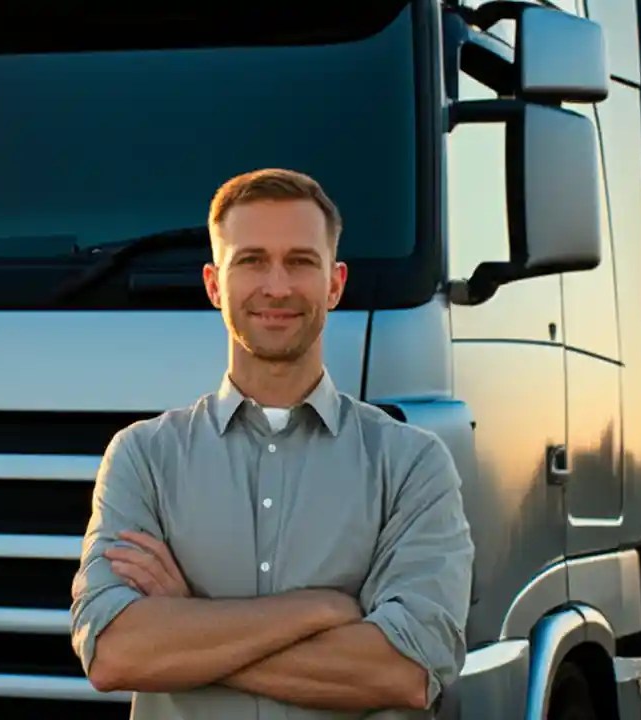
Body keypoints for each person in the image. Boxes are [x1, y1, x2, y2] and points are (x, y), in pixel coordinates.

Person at [69, 168, 474, 718]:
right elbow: (114, 653)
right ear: (215, 284)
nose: (277, 287)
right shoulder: (144, 457)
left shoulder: (411, 465)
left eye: (301, 262)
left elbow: (407, 670)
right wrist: (320, 609)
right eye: (251, 261)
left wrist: (187, 624)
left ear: (335, 282)